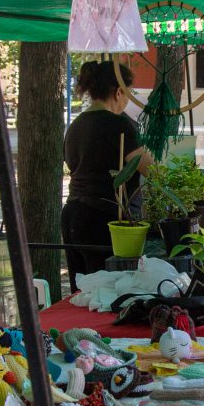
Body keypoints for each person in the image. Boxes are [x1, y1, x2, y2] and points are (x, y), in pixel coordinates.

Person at [62, 60, 152, 290]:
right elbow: (151, 169)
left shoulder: (75, 126)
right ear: (119, 91)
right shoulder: (119, 125)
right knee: (108, 293)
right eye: (128, 93)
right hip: (105, 221)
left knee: (82, 293)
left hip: (73, 216)